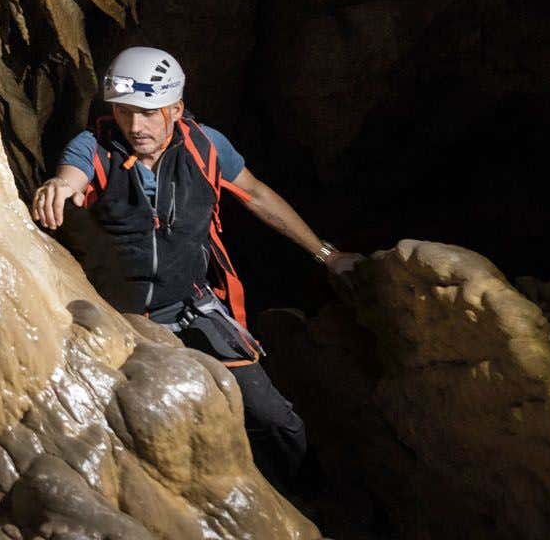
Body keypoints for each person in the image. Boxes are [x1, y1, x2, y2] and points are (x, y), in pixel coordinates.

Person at [32, 45, 358, 490]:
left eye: (149, 113)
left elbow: (258, 196)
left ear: (176, 109)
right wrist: (59, 185)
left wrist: (327, 255)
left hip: (191, 309)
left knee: (277, 422)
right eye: (125, 112)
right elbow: (72, 175)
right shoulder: (95, 147)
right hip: (118, 321)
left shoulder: (206, 146)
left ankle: (309, 499)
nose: (136, 125)